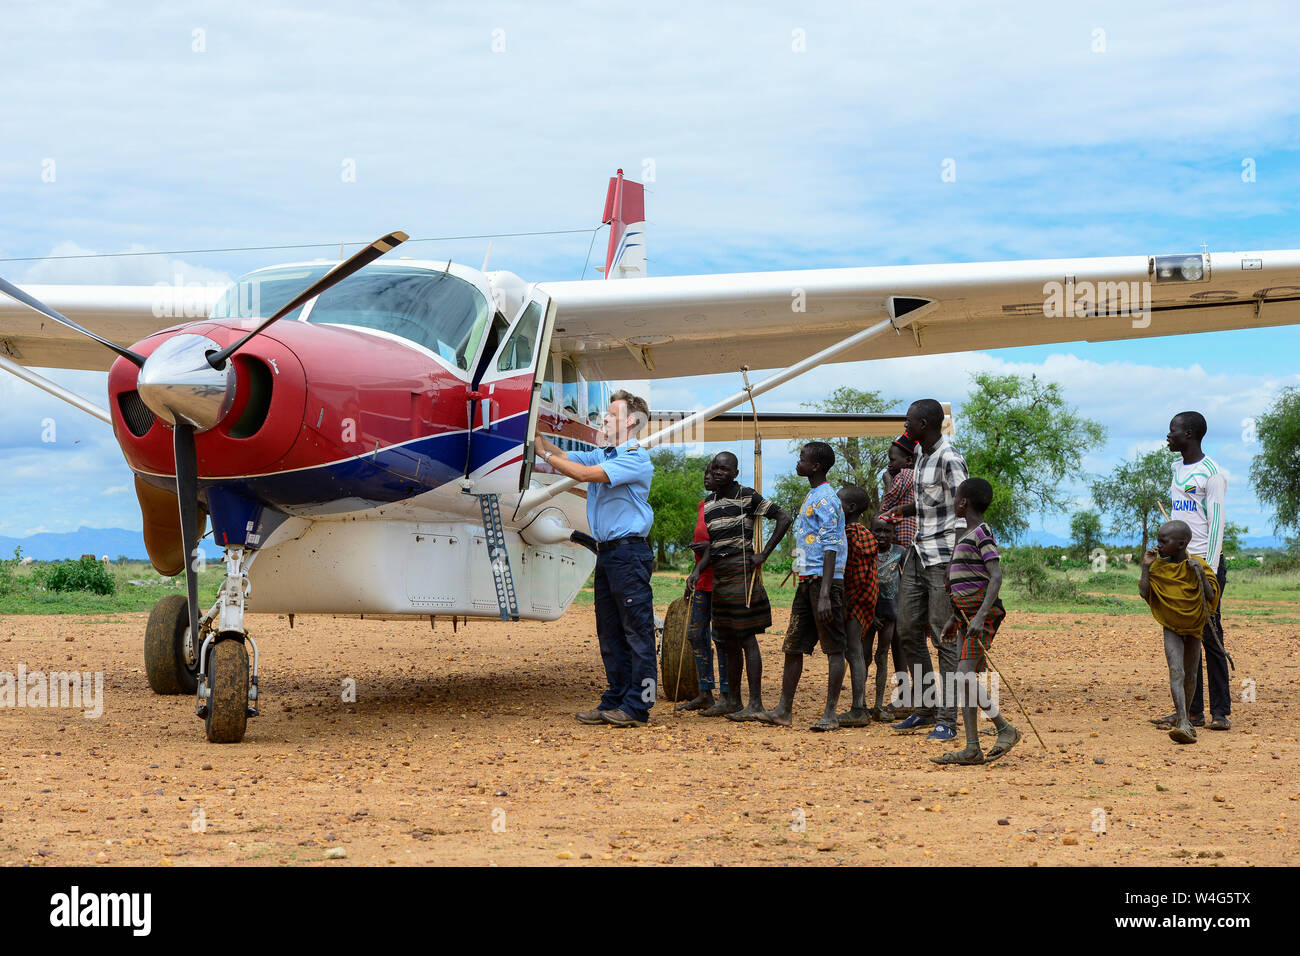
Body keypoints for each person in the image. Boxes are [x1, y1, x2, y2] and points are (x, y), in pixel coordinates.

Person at [535, 390, 656, 728]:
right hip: (608, 554)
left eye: (611, 414)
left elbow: (583, 475)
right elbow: (562, 456)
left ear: (631, 422)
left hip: (629, 553)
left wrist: (546, 452)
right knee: (610, 632)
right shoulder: (604, 454)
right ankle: (615, 700)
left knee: (637, 631)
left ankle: (638, 706)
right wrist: (535, 435)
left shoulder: (634, 457)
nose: (603, 418)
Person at [880, 399, 968, 742]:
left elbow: (964, 507)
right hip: (918, 550)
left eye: (909, 421)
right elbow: (935, 501)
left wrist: (959, 564)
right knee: (906, 631)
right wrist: (907, 509)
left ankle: (948, 718)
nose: (905, 427)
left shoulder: (950, 458)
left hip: (944, 555)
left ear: (924, 424)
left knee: (944, 635)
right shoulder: (919, 457)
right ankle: (928, 707)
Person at [688, 452, 791, 719]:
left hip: (742, 572)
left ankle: (755, 703)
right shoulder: (709, 504)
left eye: (725, 468)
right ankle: (731, 700)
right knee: (727, 639)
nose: (719, 472)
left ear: (735, 472)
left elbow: (784, 517)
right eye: (716, 468)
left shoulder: (747, 495)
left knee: (746, 638)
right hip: (720, 575)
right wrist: (697, 571)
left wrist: (764, 553)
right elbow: (713, 548)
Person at [757, 441, 848, 731]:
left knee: (834, 648)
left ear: (816, 466)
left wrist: (824, 594)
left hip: (824, 583)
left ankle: (830, 714)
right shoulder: (813, 495)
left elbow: (832, 545)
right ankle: (784, 709)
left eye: (802, 459)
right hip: (808, 580)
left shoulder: (827, 499)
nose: (798, 463)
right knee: (793, 645)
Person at [1150, 412, 1232, 732]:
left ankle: (1221, 712)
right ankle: (1191, 711)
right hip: (1180, 567)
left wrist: (1206, 569)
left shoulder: (1212, 474)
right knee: (1184, 634)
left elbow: (1216, 525)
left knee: (1210, 634)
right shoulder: (1175, 469)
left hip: (1203, 567)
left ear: (1190, 434)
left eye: (1172, 431)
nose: (1168, 436)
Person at [929, 478, 1020, 765]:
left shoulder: (981, 532)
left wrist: (980, 616)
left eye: (956, 497)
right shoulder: (966, 535)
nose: (954, 502)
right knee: (965, 679)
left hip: (981, 616)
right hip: (966, 618)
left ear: (964, 502)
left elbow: (996, 576)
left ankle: (1005, 728)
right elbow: (961, 583)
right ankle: (971, 748)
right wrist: (956, 619)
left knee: (963, 676)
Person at [1139, 520, 1221, 745]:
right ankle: (1183, 721)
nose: (1159, 546)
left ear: (1182, 543)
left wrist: (1201, 576)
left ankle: (1188, 720)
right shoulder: (1158, 566)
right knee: (1176, 671)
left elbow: (1211, 596)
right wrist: (1145, 567)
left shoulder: (1198, 564)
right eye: (1158, 541)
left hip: (1194, 626)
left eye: (1164, 541)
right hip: (1171, 626)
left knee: (1191, 674)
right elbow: (1145, 593)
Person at [675, 490, 727, 712]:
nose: (709, 476)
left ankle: (726, 695)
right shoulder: (702, 505)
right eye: (708, 472)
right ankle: (705, 692)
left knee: (722, 638)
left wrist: (708, 549)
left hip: (722, 581)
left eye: (715, 472)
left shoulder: (729, 507)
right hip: (703, 581)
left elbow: (727, 543)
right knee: (696, 635)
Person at [835, 485, 878, 727]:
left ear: (850, 508)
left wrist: (844, 604)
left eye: (838, 501)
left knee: (854, 652)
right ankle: (858, 705)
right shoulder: (861, 532)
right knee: (855, 651)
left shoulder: (851, 535)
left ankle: (859, 708)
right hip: (863, 598)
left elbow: (855, 575)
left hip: (855, 599)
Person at [879, 434, 917, 705]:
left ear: (908, 460)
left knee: (902, 634)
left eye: (893, 459)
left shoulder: (904, 476)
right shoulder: (916, 476)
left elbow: (886, 507)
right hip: (910, 550)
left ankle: (909, 696)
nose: (890, 463)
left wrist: (887, 481)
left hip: (901, 550)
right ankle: (909, 695)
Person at [867, 514, 905, 721]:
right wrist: (870, 614)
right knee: (863, 657)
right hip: (867, 613)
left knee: (882, 656)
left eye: (887, 531)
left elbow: (907, 583)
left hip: (891, 614)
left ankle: (878, 704)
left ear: (894, 533)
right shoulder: (866, 552)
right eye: (878, 531)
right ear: (870, 531)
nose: (882, 535)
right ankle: (860, 703)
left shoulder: (900, 553)